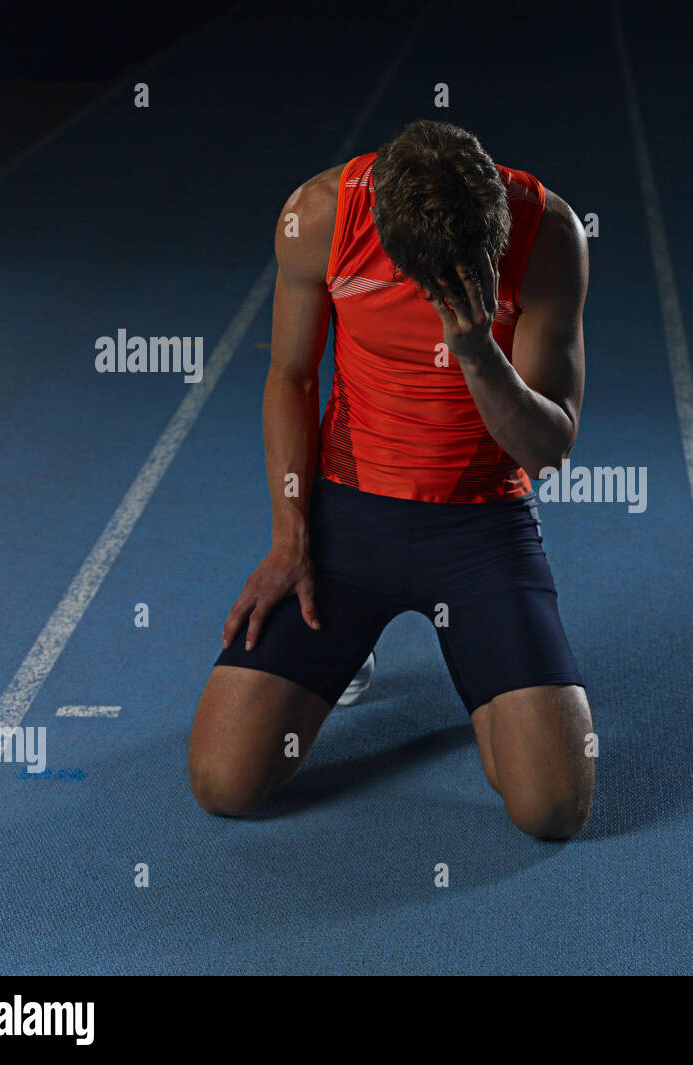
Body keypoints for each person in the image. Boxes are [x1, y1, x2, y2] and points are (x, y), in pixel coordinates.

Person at [187, 119, 593, 840]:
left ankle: (486, 664)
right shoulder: (317, 217)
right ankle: (348, 646)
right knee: (224, 781)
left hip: (481, 527)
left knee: (551, 809)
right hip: (349, 518)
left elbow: (548, 448)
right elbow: (290, 375)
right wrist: (290, 539)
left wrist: (475, 353)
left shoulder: (549, 235)